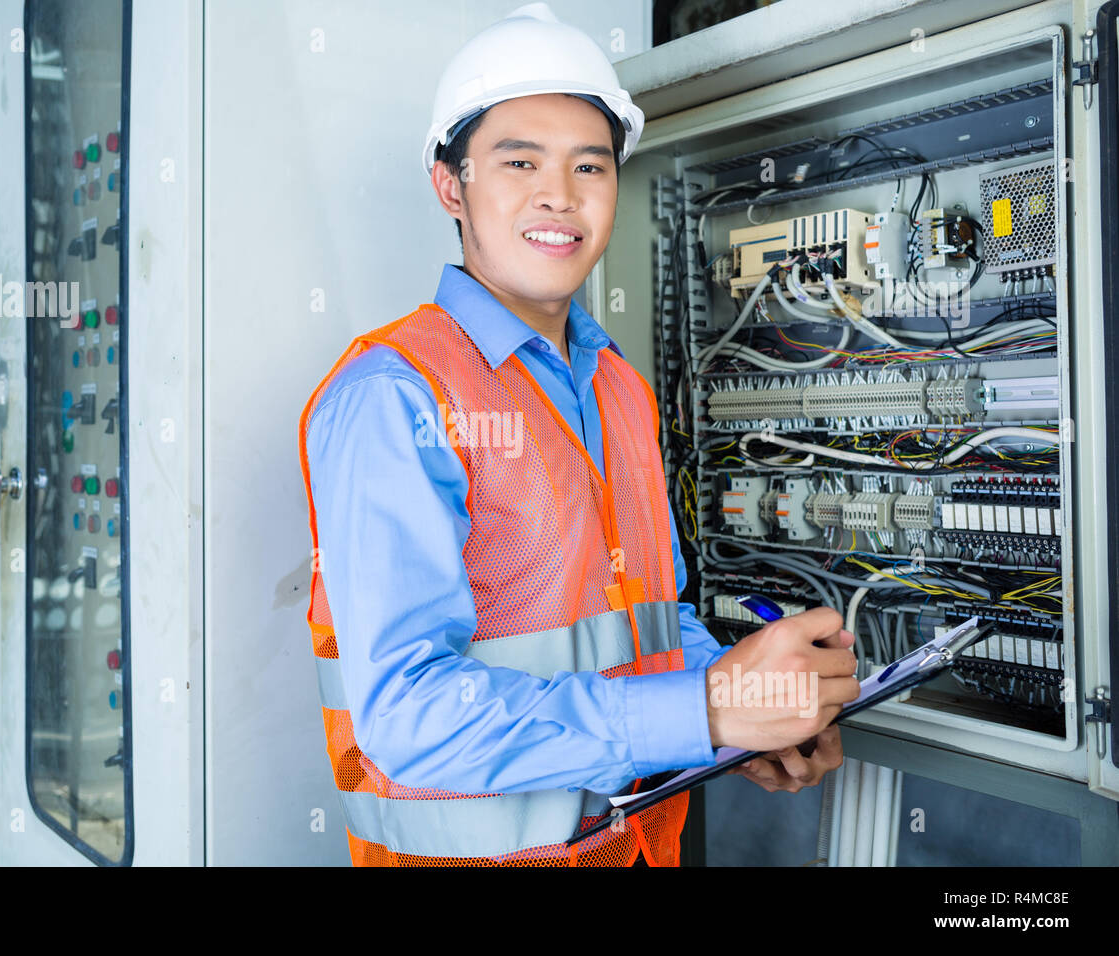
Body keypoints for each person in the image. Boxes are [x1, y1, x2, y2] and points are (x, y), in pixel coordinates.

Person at [297, 2, 859, 867]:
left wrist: (751, 718)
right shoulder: (393, 395)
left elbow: (652, 622)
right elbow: (409, 714)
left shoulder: (620, 389)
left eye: (589, 166)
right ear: (452, 186)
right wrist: (705, 709)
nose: (559, 195)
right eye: (519, 161)